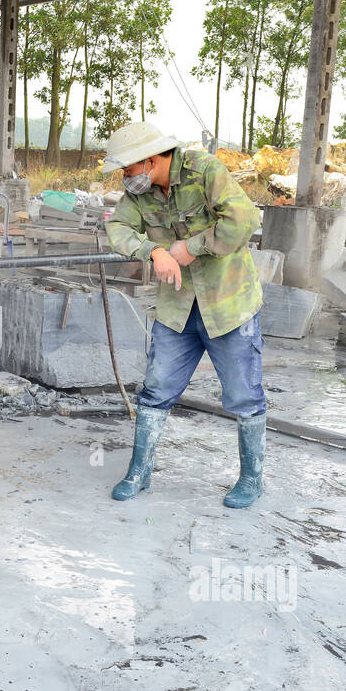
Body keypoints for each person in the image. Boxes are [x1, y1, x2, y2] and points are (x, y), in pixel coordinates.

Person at [103, 121, 266, 508]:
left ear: (151, 159)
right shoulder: (140, 194)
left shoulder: (204, 170)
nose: (125, 179)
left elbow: (244, 220)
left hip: (228, 306)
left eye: (128, 169)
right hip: (178, 308)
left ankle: (251, 479)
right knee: (156, 389)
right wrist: (154, 252)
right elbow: (117, 228)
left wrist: (192, 247)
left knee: (244, 396)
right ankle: (139, 472)